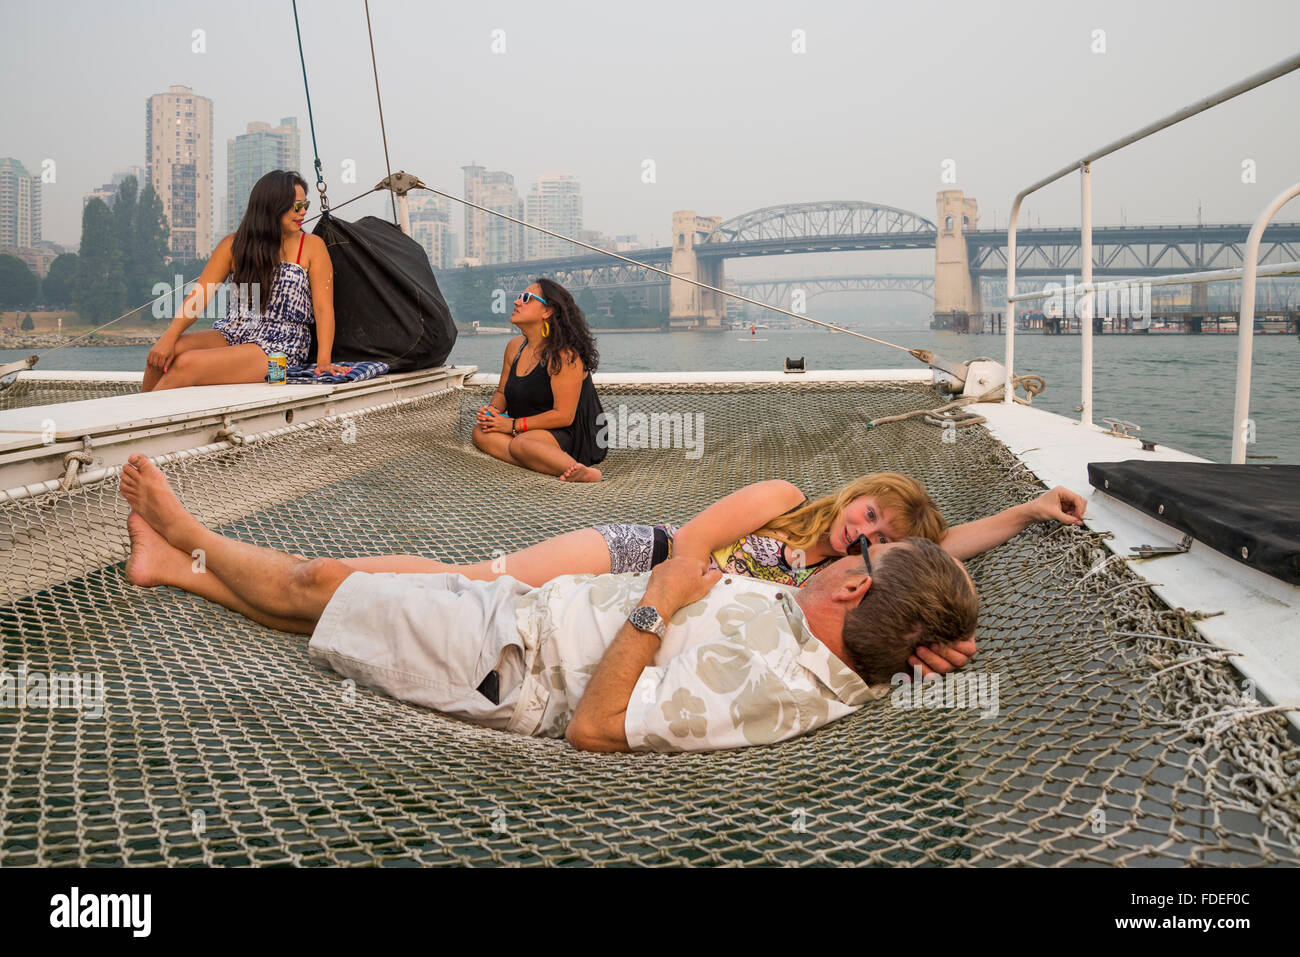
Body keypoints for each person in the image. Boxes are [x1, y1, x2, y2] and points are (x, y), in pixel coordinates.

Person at [119, 454, 979, 753]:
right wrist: (918, 636)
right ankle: (178, 566)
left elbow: (597, 727)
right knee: (353, 605)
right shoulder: (837, 630)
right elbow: (688, 549)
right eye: (871, 526)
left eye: (878, 546)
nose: (861, 540)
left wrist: (657, 603)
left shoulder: (794, 668)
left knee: (320, 587)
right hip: (579, 591)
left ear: (863, 583)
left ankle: (183, 533)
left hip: (521, 657)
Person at [141, 170, 350, 392]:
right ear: (272, 207)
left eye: (305, 204)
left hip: (280, 347)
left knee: (185, 364)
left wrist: (324, 360)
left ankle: (144, 424)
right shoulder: (233, 245)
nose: (304, 212)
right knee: (161, 355)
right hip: (233, 331)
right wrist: (169, 336)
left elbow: (323, 308)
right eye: (296, 206)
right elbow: (199, 297)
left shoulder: (311, 246)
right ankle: (138, 420)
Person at [473, 279, 607, 482]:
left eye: (526, 298)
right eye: (518, 297)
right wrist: (492, 412)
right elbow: (502, 394)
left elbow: (564, 416)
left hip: (570, 433)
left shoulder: (564, 355)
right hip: (526, 431)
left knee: (521, 444)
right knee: (480, 432)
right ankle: (544, 462)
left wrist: (511, 426)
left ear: (548, 311)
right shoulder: (514, 347)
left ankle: (585, 472)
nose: (517, 302)